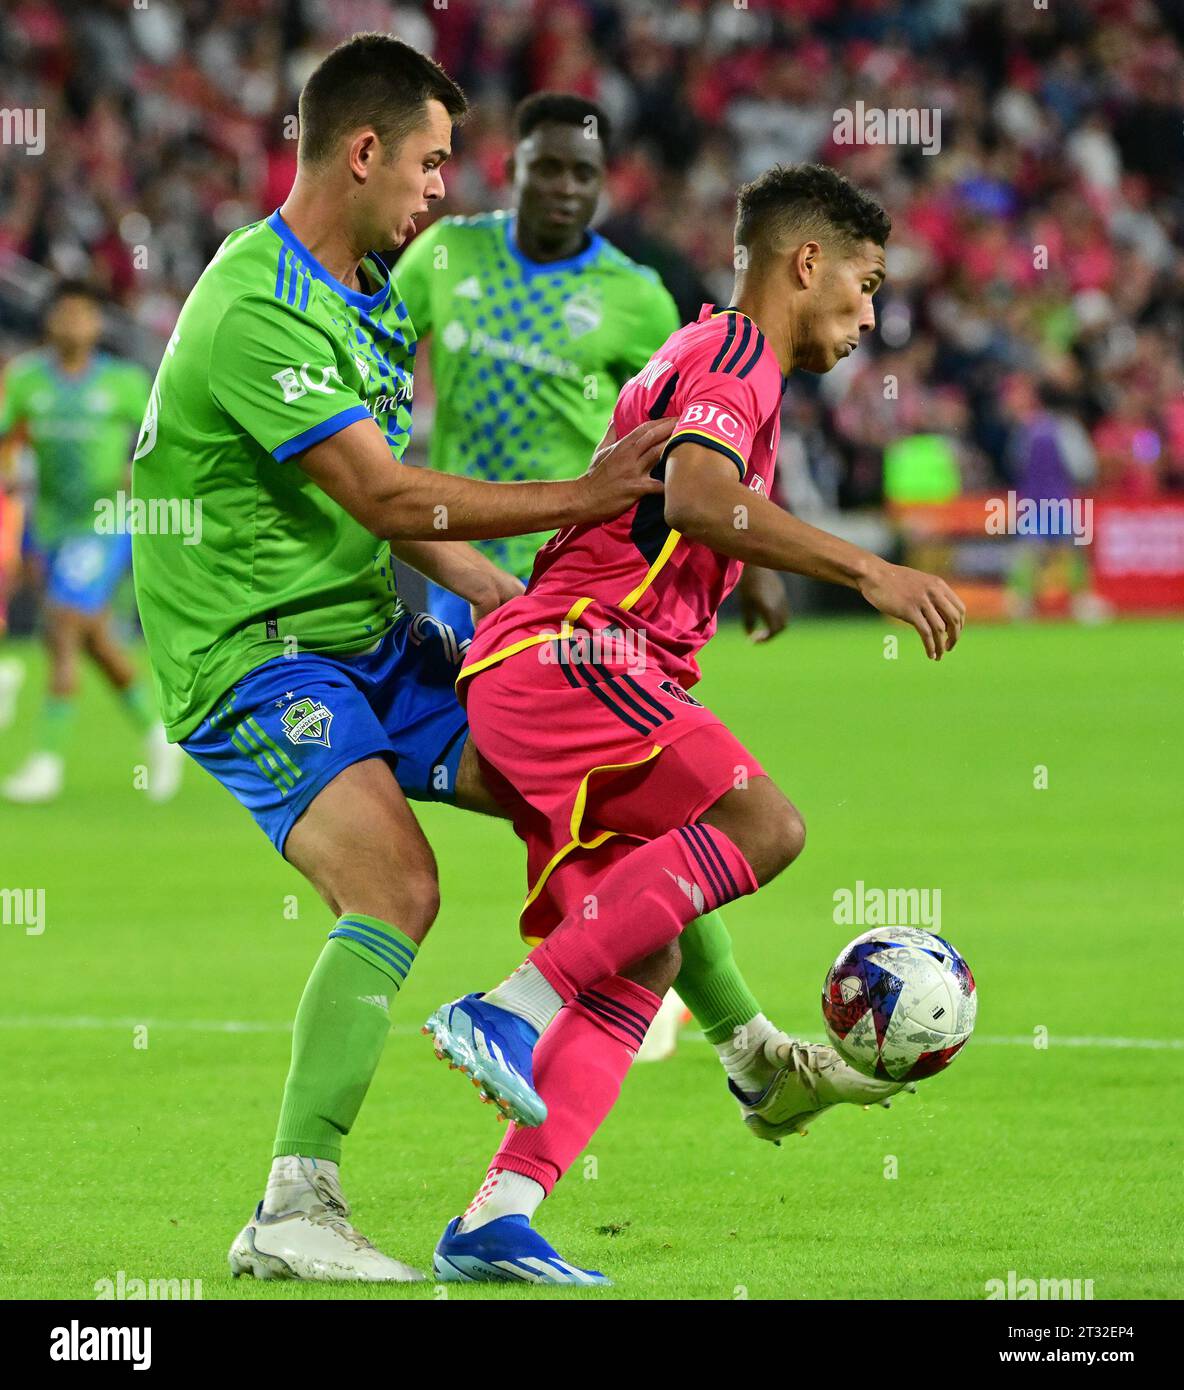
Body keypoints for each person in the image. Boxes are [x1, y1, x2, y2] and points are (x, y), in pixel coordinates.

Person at [130, 31, 665, 1284]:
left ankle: (728, 1048)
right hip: (251, 656)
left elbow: (376, 515)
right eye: (429, 163)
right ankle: (291, 1203)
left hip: (360, 635)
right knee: (396, 886)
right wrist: (577, 500)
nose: (441, 189)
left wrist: (499, 590)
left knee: (594, 777)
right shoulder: (261, 304)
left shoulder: (362, 290)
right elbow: (378, 495)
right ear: (361, 151)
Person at [426, 163, 966, 1285]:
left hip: (580, 668)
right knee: (764, 824)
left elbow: (704, 506)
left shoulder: (720, 366)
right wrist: (864, 569)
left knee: (647, 948)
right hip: (573, 654)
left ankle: (497, 1212)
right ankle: (509, 1007)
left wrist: (745, 570)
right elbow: (693, 497)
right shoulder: (732, 357)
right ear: (802, 263)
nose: (869, 316)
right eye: (863, 285)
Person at [397, 88, 792, 1066]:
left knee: (625, 800)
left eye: (582, 170)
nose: (565, 186)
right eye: (547, 166)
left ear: (602, 182)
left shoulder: (637, 297)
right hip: (453, 559)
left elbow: (698, 447)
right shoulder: (443, 256)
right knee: (620, 804)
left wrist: (746, 557)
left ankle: (664, 997)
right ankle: (672, 999)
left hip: (579, 591)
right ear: (512, 167)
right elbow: (377, 363)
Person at [0, 281, 180, 802]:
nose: (75, 324)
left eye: (84, 314)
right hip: (50, 524)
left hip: (107, 520)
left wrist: (136, 472)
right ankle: (157, 733)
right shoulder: (26, 379)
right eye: (65, 314)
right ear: (49, 322)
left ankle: (46, 763)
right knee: (94, 640)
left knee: (59, 626)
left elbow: (163, 437)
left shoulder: (123, 382)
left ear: (98, 324)